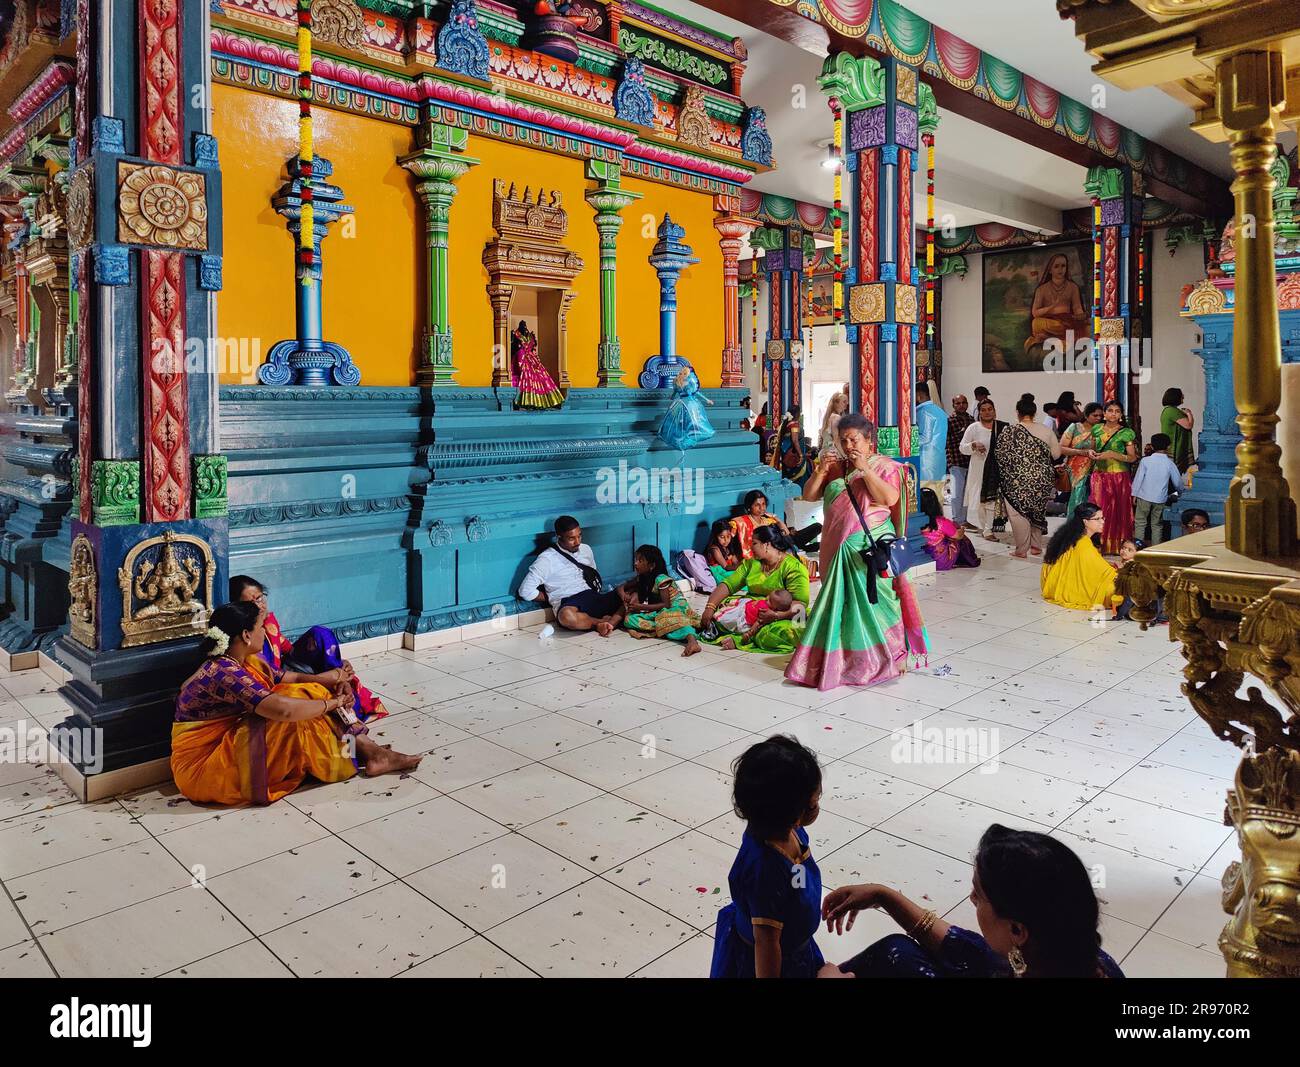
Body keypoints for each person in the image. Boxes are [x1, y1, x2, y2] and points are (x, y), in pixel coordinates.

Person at [171, 602, 422, 805]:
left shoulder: (240, 659)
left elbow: (285, 677)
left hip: (220, 747)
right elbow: (284, 709)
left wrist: (332, 680)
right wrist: (331, 703)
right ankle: (362, 753)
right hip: (203, 769)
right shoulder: (225, 671)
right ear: (246, 635)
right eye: (261, 627)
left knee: (305, 690)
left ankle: (369, 751)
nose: (265, 632)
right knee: (297, 712)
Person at [822, 824, 1123, 978]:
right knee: (897, 951)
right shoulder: (1066, 954)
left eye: (979, 897)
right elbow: (967, 949)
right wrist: (882, 895)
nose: (971, 899)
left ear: (1017, 931)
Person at [785, 413, 929, 690]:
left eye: (854, 440)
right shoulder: (837, 468)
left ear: (869, 441)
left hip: (868, 551)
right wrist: (819, 471)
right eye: (843, 440)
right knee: (841, 606)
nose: (849, 445)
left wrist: (865, 470)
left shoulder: (886, 466)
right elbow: (809, 496)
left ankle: (888, 656)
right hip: (836, 549)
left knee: (879, 603)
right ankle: (843, 659)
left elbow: (889, 499)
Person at [711, 736, 834, 979]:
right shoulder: (765, 871)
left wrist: (803, 898)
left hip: (798, 947)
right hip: (781, 962)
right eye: (814, 802)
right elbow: (767, 946)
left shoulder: (789, 831)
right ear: (794, 813)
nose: (818, 806)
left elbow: (797, 875)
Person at [230, 575, 389, 724]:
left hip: (285, 668)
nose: (260, 606)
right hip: (274, 685)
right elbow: (274, 679)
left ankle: (340, 682)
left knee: (320, 634)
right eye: (252, 603)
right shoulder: (245, 639)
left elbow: (288, 650)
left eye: (260, 598)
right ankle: (341, 695)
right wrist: (321, 678)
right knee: (316, 688)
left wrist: (338, 664)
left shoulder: (269, 622)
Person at [699, 526, 810, 653]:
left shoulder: (794, 568)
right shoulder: (752, 563)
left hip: (784, 613)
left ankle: (742, 638)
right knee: (722, 609)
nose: (751, 547)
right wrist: (710, 607)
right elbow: (728, 584)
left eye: (754, 543)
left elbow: (800, 604)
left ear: (767, 544)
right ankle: (747, 633)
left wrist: (775, 615)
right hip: (752, 609)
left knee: (782, 632)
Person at [518, 515, 625, 636]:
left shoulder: (586, 549)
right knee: (566, 616)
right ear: (559, 537)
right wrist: (549, 597)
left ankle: (611, 621)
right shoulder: (547, 559)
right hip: (569, 602)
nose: (578, 542)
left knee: (633, 591)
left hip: (593, 597)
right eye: (571, 538)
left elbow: (593, 574)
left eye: (579, 536)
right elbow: (525, 591)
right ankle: (600, 623)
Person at [997, 396, 1061, 559]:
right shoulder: (1046, 430)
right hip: (1042, 479)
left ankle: (1021, 549)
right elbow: (1056, 454)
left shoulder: (1009, 431)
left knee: (1019, 514)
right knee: (1037, 511)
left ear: (1018, 413)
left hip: (1016, 480)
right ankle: (1036, 546)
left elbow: (1000, 456)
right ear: (1035, 413)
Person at [1040, 503, 1123, 615]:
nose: (1102, 521)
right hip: (1065, 586)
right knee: (1118, 588)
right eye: (1097, 519)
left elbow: (1091, 564)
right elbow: (1105, 572)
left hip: (1053, 583)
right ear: (1085, 521)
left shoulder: (1075, 535)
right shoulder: (1083, 544)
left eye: (1102, 518)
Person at [619, 544, 701, 656]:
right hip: (661, 611)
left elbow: (666, 604)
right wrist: (624, 595)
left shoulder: (661, 579)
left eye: (640, 560)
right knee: (629, 619)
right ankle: (665, 627)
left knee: (667, 618)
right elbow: (621, 587)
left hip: (675, 608)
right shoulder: (643, 577)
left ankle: (692, 641)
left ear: (651, 565)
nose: (635, 563)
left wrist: (641, 607)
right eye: (636, 559)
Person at [1089, 400, 1138, 555]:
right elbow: (1092, 450)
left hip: (1119, 478)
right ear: (1104, 413)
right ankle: (1098, 544)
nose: (1113, 414)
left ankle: (1117, 546)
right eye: (1110, 410)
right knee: (1099, 510)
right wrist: (1091, 454)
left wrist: (1113, 455)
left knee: (1117, 512)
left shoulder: (1126, 432)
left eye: (1117, 411)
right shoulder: (1096, 429)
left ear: (1121, 415)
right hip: (1099, 476)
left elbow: (1132, 458)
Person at [958, 397, 1007, 541]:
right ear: (979, 412)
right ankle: (985, 528)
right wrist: (973, 445)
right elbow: (962, 448)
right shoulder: (974, 428)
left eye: (990, 409)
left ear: (995, 411)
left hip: (997, 471)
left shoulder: (1002, 428)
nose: (987, 413)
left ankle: (988, 529)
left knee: (992, 501)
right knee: (981, 500)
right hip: (979, 471)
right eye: (983, 410)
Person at [1024, 252, 1088, 354]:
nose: (1060, 269)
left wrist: (1080, 315)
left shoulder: (1072, 287)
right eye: (1056, 266)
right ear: (1050, 270)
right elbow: (1035, 313)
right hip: (1051, 322)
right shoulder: (1042, 289)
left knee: (1089, 327)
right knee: (1036, 323)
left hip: (1068, 322)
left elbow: (1077, 307)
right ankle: (1053, 338)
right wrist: (1051, 307)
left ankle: (1049, 338)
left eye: (1063, 266)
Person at [728, 489, 819, 558]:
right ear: (749, 507)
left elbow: (786, 534)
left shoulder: (768, 520)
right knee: (794, 549)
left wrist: (778, 520)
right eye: (757, 505)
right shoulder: (741, 522)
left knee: (817, 527)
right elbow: (728, 538)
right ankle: (806, 548)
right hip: (762, 554)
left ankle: (806, 548)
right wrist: (732, 556)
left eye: (763, 504)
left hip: (779, 547)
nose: (762, 508)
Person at [1131, 433, 1183, 545]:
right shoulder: (1170, 463)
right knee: (1157, 524)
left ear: (1152, 447)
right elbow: (1178, 482)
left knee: (1140, 522)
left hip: (1143, 496)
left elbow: (1138, 479)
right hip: (1160, 498)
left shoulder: (1145, 461)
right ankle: (1155, 548)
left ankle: (1137, 547)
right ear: (1168, 446)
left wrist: (1134, 494)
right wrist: (1180, 492)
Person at [1058, 401, 1103, 516]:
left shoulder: (1102, 431)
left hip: (1096, 469)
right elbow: (1061, 448)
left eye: (1100, 416)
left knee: (1093, 498)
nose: (1098, 418)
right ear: (1086, 415)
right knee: (1077, 497)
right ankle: (1074, 527)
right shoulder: (1075, 428)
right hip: (1075, 469)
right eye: (1095, 415)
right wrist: (1082, 452)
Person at [919, 486, 979, 570]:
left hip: (923, 560)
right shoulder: (941, 522)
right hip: (942, 562)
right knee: (960, 537)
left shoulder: (916, 521)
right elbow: (958, 536)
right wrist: (962, 529)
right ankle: (969, 559)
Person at [658, 365, 715, 451]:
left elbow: (696, 392)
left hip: (689, 403)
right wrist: (672, 397)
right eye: (683, 373)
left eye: (685, 373)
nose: (683, 374)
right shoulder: (678, 382)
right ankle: (682, 438)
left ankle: (687, 437)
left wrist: (707, 400)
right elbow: (676, 392)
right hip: (685, 403)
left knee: (693, 420)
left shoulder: (688, 382)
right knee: (681, 421)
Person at [511, 320, 563, 409]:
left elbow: (531, 348)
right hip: (522, 358)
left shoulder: (530, 336)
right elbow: (514, 348)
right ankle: (528, 401)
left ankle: (544, 401)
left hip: (530, 359)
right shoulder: (516, 335)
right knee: (528, 378)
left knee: (539, 378)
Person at [946, 393, 974, 527]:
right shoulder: (949, 420)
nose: (961, 405)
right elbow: (948, 441)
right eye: (958, 403)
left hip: (970, 461)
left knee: (966, 492)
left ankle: (964, 520)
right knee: (957, 492)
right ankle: (957, 520)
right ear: (953, 405)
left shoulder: (971, 419)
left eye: (964, 402)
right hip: (956, 460)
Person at [914, 382, 949, 487]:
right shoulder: (939, 411)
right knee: (936, 498)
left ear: (919, 396)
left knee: (926, 496)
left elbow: (925, 438)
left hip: (926, 463)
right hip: (938, 461)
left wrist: (904, 442)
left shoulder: (925, 412)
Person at [1159, 387, 1195, 473]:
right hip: (1174, 447)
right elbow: (1188, 425)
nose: (1183, 397)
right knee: (1174, 472)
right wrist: (1189, 413)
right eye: (1181, 396)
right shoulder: (1172, 411)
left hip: (1168, 445)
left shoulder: (1168, 410)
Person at [772, 413, 811, 486]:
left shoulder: (783, 425)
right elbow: (795, 440)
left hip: (785, 453)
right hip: (794, 455)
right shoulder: (794, 424)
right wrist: (801, 455)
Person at [819, 391, 848, 457]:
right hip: (832, 453)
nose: (847, 404)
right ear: (836, 403)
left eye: (847, 401)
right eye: (844, 402)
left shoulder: (828, 417)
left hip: (824, 452)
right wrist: (844, 455)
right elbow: (836, 439)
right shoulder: (836, 417)